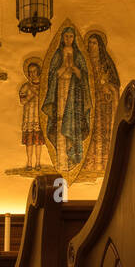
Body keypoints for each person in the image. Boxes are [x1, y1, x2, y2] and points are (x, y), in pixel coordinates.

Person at [41, 26, 93, 171]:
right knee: (59, 123)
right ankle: (61, 160)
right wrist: (64, 67)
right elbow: (52, 75)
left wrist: (75, 69)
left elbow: (84, 77)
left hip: (75, 98)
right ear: (62, 38)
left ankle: (72, 159)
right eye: (66, 36)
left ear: (74, 38)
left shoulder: (78, 55)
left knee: (72, 125)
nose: (68, 39)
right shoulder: (58, 54)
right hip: (60, 95)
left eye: (71, 36)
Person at [85, 31, 121, 174]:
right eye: (90, 43)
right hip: (89, 103)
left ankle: (103, 162)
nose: (91, 45)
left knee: (102, 132)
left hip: (103, 104)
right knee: (90, 132)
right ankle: (90, 163)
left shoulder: (106, 63)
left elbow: (115, 84)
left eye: (94, 43)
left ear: (100, 46)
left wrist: (108, 87)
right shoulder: (85, 62)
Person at [18, 57, 45, 170]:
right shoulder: (25, 87)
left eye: (34, 71)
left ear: (38, 71)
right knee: (29, 142)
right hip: (29, 118)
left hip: (39, 118)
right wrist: (31, 95)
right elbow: (22, 101)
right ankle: (29, 163)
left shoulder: (43, 86)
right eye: (30, 72)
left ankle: (38, 163)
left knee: (38, 142)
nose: (32, 74)